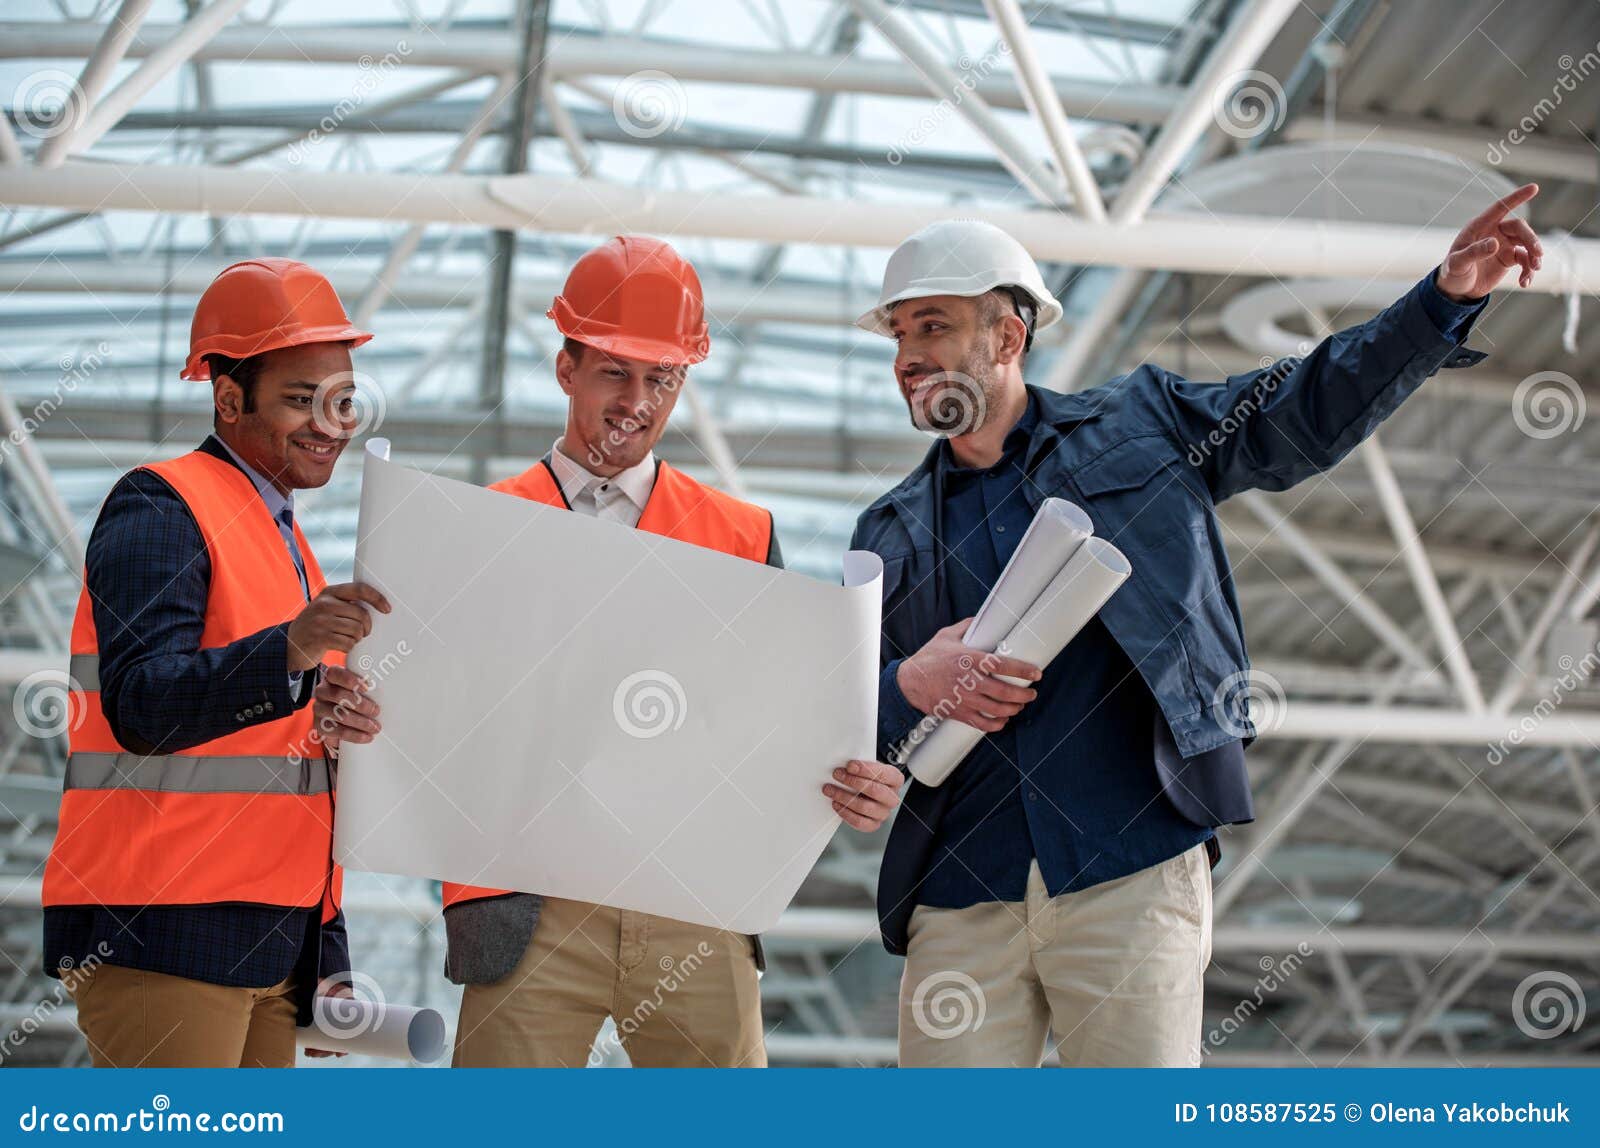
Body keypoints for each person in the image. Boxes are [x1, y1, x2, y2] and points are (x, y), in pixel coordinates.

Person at [851, 187, 1542, 1066]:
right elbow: (847, 715)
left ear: (1008, 338)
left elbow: (1303, 409)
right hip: (959, 888)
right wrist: (906, 687)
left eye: (934, 326)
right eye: (900, 334)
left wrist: (1439, 301)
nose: (909, 354)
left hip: (1128, 864)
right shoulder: (886, 530)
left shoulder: (1141, 426)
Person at [326, 235, 906, 1067]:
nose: (637, 399)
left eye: (662, 378)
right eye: (615, 372)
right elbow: (424, 706)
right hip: (525, 905)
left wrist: (852, 776)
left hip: (691, 902)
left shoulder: (742, 536)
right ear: (566, 368)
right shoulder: (469, 531)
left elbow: (773, 717)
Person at [41, 257, 391, 1067]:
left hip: (271, 939)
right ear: (227, 398)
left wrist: (323, 960)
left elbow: (293, 780)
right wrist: (291, 651)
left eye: (340, 401)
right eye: (300, 400)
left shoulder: (289, 544)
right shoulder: (162, 504)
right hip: (163, 925)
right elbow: (139, 703)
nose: (328, 424)